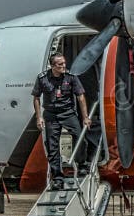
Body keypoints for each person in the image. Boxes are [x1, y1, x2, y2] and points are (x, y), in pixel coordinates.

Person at [32, 53, 91, 190]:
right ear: (52, 66)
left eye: (64, 63)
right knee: (52, 147)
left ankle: (82, 164)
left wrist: (85, 117)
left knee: (80, 137)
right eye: (60, 64)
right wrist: (39, 117)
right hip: (51, 115)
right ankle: (58, 178)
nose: (63, 66)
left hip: (68, 113)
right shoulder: (42, 78)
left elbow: (80, 96)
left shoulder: (71, 77)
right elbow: (36, 98)